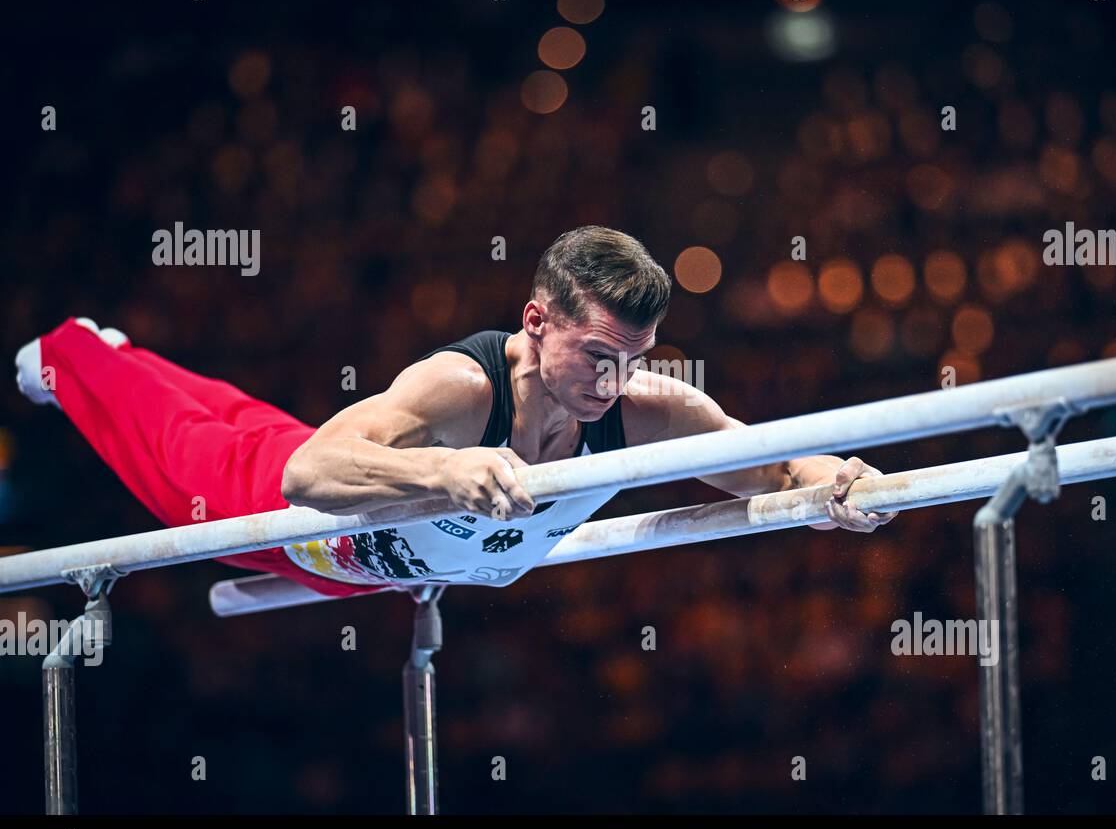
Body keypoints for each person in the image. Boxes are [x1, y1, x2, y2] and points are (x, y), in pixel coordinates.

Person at [14, 226, 895, 597]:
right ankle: (70, 354)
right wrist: (443, 468)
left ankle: (124, 354)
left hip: (391, 564)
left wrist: (838, 483)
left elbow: (777, 466)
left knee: (236, 413)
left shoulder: (649, 409)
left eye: (635, 358)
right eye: (597, 354)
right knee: (182, 438)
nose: (613, 382)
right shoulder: (463, 389)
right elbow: (305, 474)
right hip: (287, 527)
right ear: (535, 322)